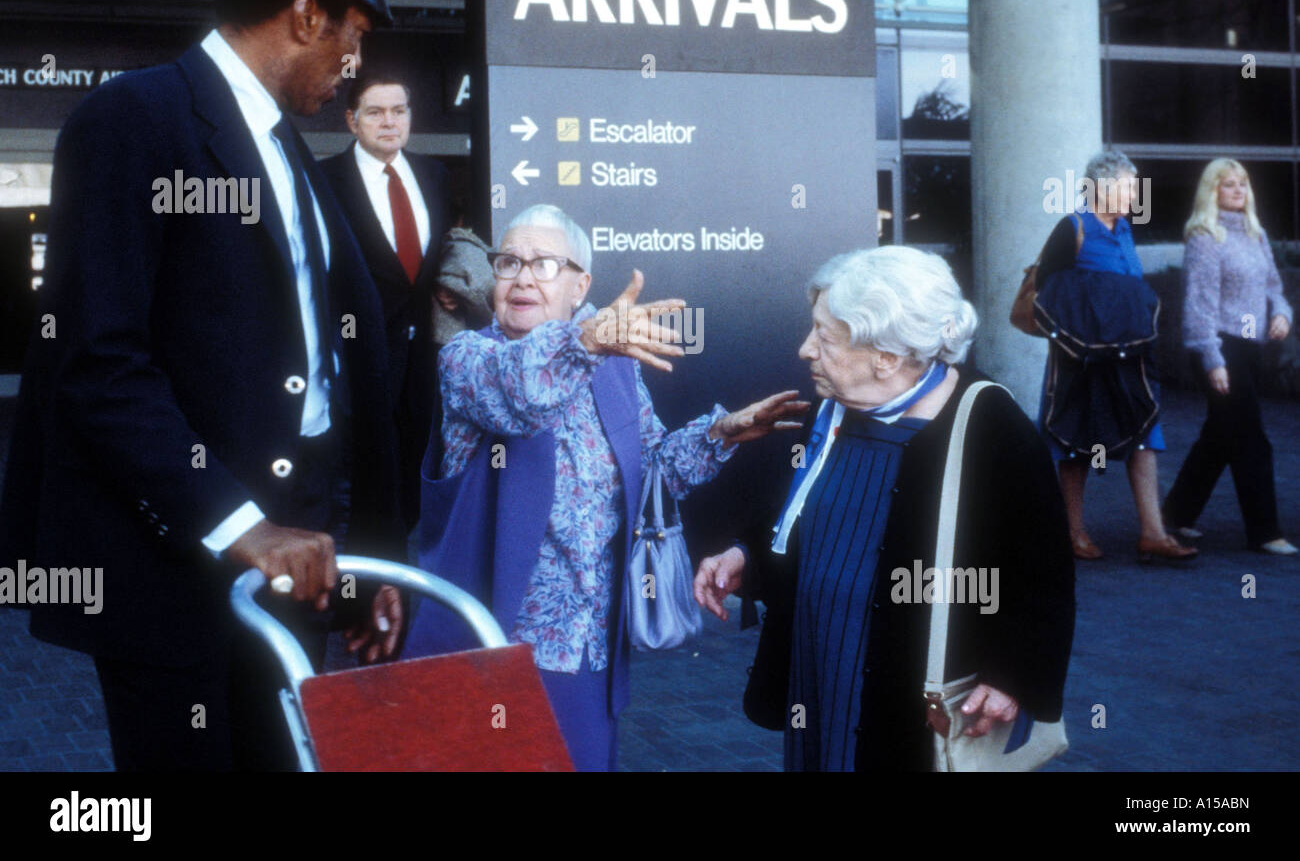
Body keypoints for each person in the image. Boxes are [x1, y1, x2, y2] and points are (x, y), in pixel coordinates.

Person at [0, 0, 419, 770]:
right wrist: (242, 526)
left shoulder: (288, 149)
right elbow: (100, 363)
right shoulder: (134, 121)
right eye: (354, 35)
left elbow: (337, 361)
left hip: (297, 560)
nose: (356, 63)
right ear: (306, 15)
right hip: (176, 572)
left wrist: (369, 564)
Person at [402, 204, 807, 771]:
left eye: (544, 264)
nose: (521, 277)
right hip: (490, 649)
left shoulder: (614, 367)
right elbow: (523, 396)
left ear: (580, 285)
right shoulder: (470, 359)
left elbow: (655, 473)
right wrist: (586, 341)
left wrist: (722, 432)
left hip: (589, 649)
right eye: (509, 262)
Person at [694, 246, 1074, 771]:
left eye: (824, 337)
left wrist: (1009, 674)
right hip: (821, 661)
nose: (806, 349)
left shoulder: (988, 423)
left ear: (887, 356)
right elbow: (806, 519)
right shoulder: (834, 414)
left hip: (913, 681)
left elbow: (1043, 573)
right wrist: (748, 556)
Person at [1034, 151, 1197, 563]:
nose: (1132, 195)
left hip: (1130, 357)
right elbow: (1048, 290)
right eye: (1126, 186)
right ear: (1100, 187)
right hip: (1080, 358)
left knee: (1145, 434)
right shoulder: (1072, 228)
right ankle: (1073, 533)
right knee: (1074, 443)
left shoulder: (1125, 230)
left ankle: (1153, 535)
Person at [321, 75, 451, 530]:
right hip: (357, 358)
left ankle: (410, 573)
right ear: (351, 121)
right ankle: (368, 582)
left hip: (425, 359)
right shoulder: (324, 181)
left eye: (400, 110)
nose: (390, 121)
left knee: (416, 473)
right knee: (363, 483)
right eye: (375, 112)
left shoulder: (434, 176)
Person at [1162, 159, 1296, 554]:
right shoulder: (1205, 236)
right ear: (1212, 191)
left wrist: (1283, 313)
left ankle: (1174, 515)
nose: (1238, 190)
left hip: (1251, 346)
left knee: (1219, 437)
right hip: (1218, 346)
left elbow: (1274, 285)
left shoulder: (1256, 234)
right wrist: (1212, 359)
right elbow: (1198, 305)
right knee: (1252, 438)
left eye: (1242, 184)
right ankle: (1265, 532)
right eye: (1228, 185)